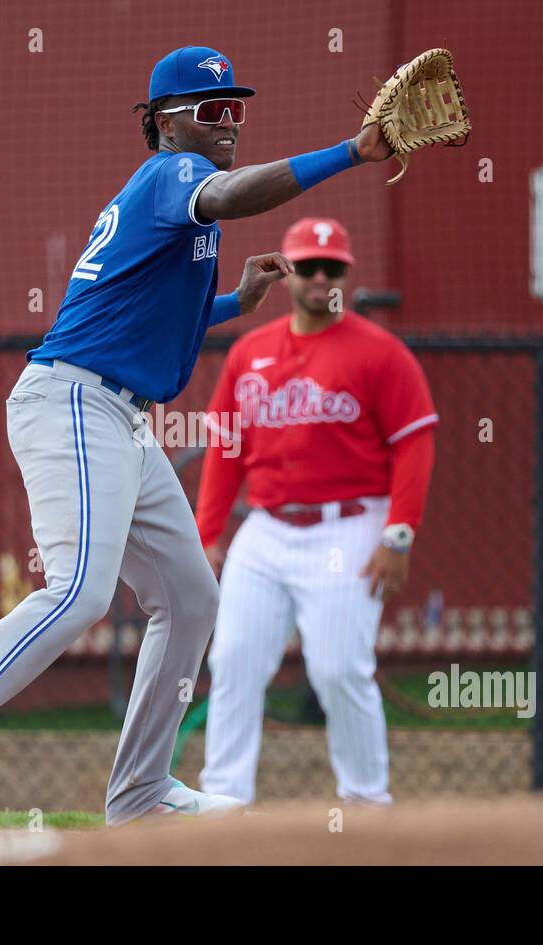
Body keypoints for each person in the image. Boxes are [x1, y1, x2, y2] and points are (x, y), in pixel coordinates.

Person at [0, 45, 405, 832]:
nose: (230, 124)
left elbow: (150, 316)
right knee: (79, 590)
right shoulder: (171, 176)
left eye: (236, 109)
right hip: (76, 403)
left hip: (115, 413)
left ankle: (142, 789)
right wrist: (351, 153)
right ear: (165, 123)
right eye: (212, 110)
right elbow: (234, 193)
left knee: (189, 598)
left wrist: (233, 301)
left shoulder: (171, 200)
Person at [194, 217, 437, 806]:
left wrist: (398, 535)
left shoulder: (381, 353)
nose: (320, 276)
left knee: (337, 669)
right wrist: (207, 533)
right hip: (267, 527)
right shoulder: (251, 351)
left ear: (346, 275)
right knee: (233, 662)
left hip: (351, 523)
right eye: (308, 266)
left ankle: (365, 802)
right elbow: (226, 449)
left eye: (333, 268)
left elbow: (415, 442)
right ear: (288, 273)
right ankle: (224, 801)